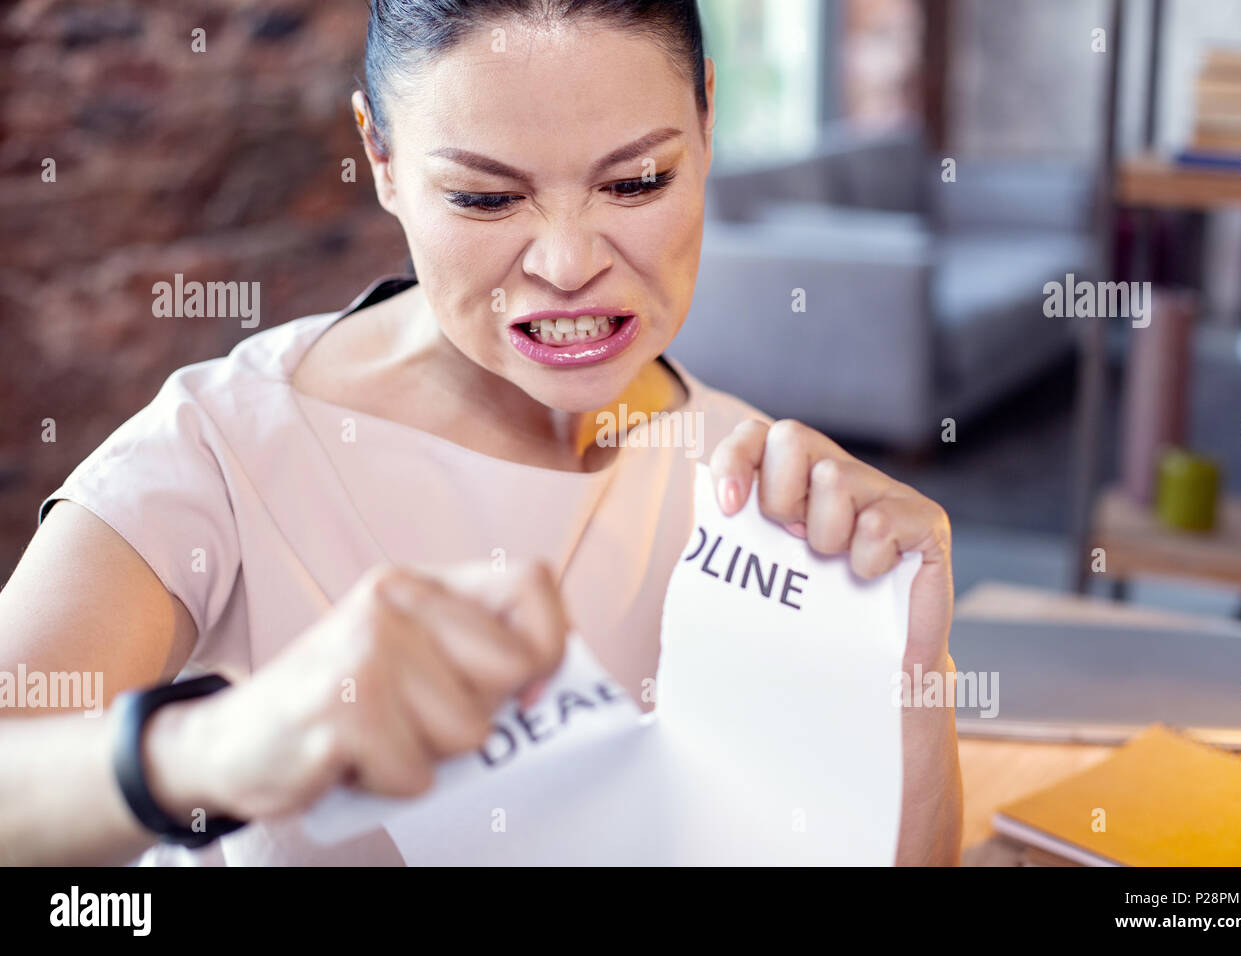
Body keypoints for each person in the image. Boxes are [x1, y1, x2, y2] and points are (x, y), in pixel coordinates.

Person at [0, 0, 960, 865]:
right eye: (487, 198)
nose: (569, 262)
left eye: (636, 181)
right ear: (381, 159)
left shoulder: (756, 490)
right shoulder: (215, 446)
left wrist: (902, 658)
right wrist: (214, 749)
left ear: (708, 120)